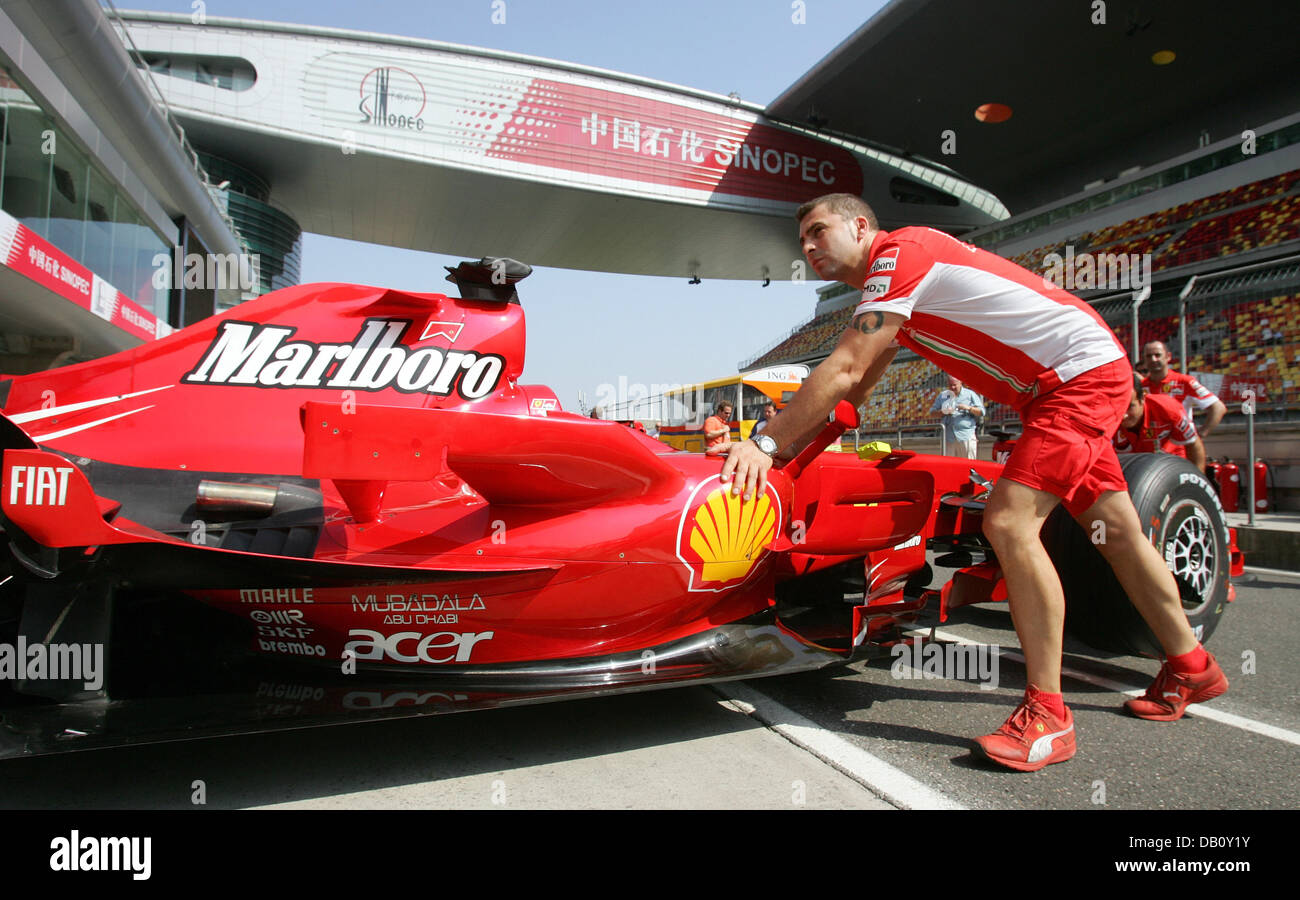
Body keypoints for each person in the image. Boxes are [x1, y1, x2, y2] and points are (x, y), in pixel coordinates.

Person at [721, 192, 1227, 772]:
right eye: (803, 240)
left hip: (1074, 380)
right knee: (1118, 531)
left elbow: (844, 368)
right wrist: (791, 459)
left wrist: (763, 444)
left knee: (1009, 522)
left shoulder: (897, 255)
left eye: (818, 231)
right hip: (1070, 379)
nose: (809, 248)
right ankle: (1192, 668)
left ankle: (1049, 717)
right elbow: (854, 394)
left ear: (861, 226)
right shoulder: (888, 294)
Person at [1141, 341, 1227, 456]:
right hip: (1150, 450)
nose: (1153, 359)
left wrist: (1201, 434)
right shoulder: (1140, 386)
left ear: (1168, 357)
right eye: (1149, 356)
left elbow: (1218, 407)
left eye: (1157, 355)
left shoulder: (1184, 382)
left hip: (1180, 452)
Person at [1115, 373, 1206, 471]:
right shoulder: (1103, 416)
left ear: (1142, 399)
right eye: (1118, 407)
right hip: (1131, 469)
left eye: (1129, 407)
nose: (1124, 415)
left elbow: (1193, 443)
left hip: (1170, 466)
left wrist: (1198, 477)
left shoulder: (1167, 408)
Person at [930, 375, 984, 458]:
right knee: (949, 466)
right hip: (948, 437)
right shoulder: (943, 395)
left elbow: (981, 412)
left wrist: (968, 408)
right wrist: (944, 411)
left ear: (961, 383)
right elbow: (932, 413)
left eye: (955, 385)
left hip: (966, 435)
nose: (952, 387)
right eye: (950, 385)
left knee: (968, 465)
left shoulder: (970, 394)